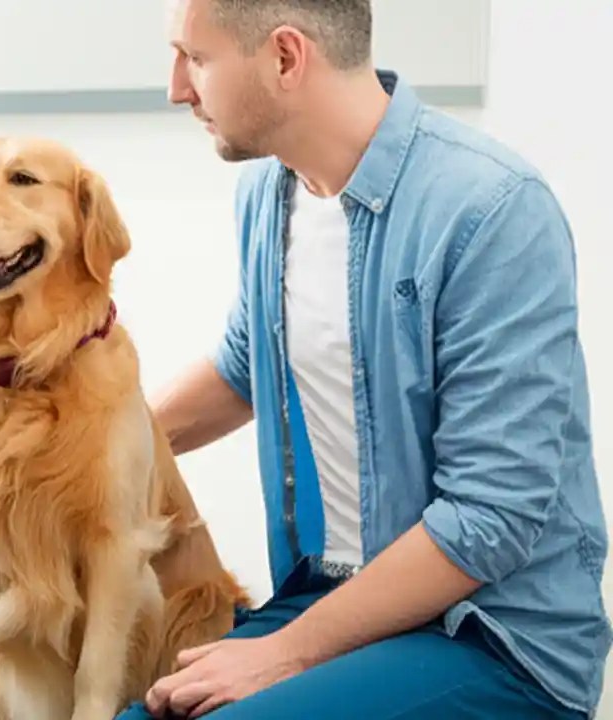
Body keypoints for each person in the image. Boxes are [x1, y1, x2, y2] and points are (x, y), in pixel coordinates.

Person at [118, 0, 611, 718]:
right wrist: (72, 453)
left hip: (492, 637)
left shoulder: (492, 210)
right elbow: (247, 362)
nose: (176, 87)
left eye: (195, 57)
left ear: (286, 57)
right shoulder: (268, 194)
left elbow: (489, 517)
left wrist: (281, 652)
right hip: (334, 598)